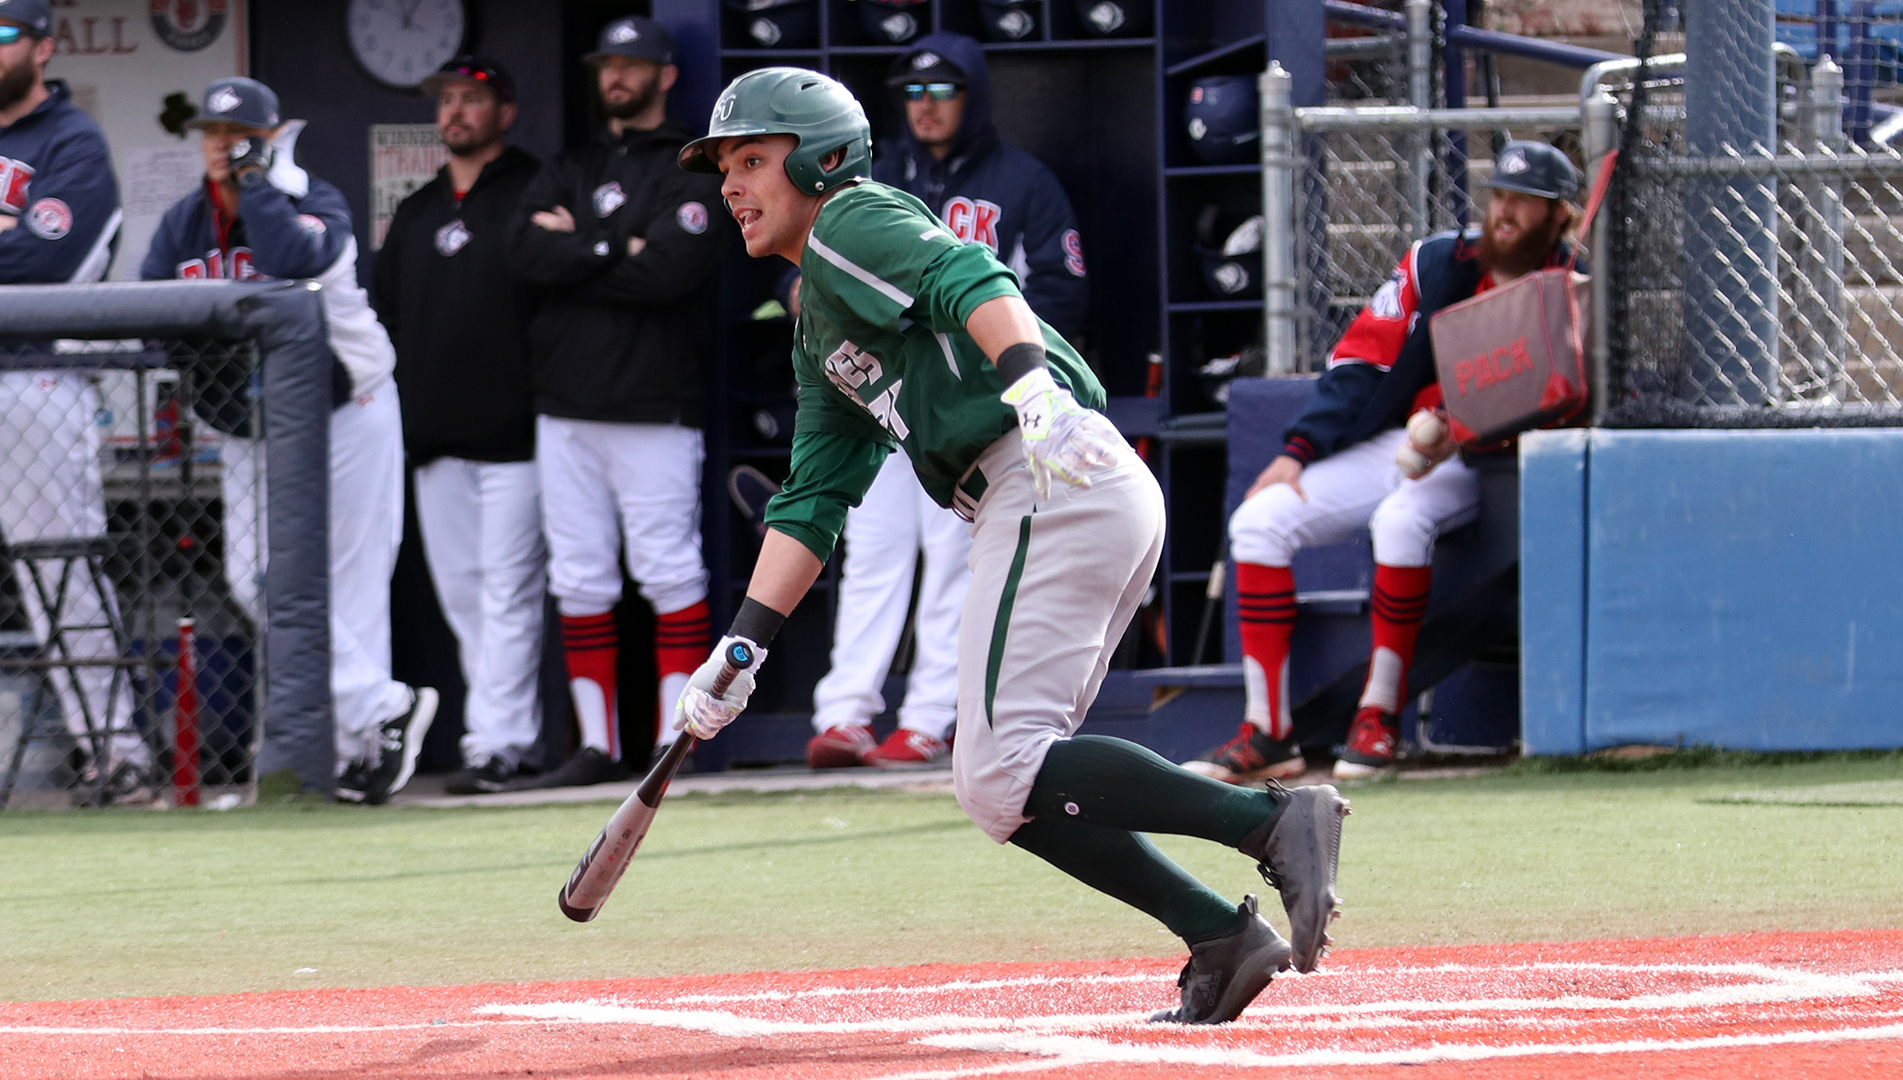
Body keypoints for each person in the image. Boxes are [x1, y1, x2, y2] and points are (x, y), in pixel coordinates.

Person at [674, 67, 1348, 1025]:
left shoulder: (847, 220)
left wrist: (1030, 388)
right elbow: (813, 499)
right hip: (1050, 491)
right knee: (1007, 787)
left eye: (753, 159)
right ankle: (1219, 933)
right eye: (723, 166)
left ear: (820, 160)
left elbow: (974, 276)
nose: (732, 184)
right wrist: (741, 647)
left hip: (1042, 470)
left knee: (1000, 771)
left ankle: (1272, 821)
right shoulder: (818, 314)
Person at [1186, 141, 1584, 784]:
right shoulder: (1439, 261)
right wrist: (1299, 450)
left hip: (1488, 464)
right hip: (1406, 444)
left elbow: (1570, 399)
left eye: (1526, 203)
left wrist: (1465, 427)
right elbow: (1362, 359)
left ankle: (1379, 714)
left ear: (1559, 215)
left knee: (1399, 522)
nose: (1505, 213)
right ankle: (1268, 732)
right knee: (1259, 521)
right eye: (1500, 196)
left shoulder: (1574, 287)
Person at [797, 33, 1090, 771]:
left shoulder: (1022, 180)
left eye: (942, 91)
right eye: (914, 93)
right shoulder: (878, 175)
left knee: (952, 556)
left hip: (968, 407)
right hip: (886, 400)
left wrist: (967, 344)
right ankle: (846, 712)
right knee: (871, 552)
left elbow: (1062, 290)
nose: (925, 107)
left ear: (975, 96)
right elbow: (806, 277)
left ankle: (928, 718)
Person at [142, 76, 438, 805]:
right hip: (249, 428)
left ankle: (352, 755)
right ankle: (383, 706)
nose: (221, 145)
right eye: (212, 134)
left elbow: (288, 256)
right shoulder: (184, 223)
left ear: (270, 138)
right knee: (256, 578)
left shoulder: (313, 200)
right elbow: (150, 316)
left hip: (348, 411)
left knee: (355, 583)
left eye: (238, 133)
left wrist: (258, 181)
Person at [505, 17, 725, 788]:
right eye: (608, 64)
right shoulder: (569, 162)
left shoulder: (691, 167)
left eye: (632, 64)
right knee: (580, 577)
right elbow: (522, 255)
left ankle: (673, 744)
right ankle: (595, 748)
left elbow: (670, 273)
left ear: (664, 74)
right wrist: (615, 244)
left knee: (669, 572)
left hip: (655, 403)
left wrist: (579, 247)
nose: (616, 76)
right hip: (564, 404)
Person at [373, 57, 545, 796]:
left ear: (504, 110)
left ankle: (501, 741)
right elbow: (386, 318)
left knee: (509, 591)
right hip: (436, 435)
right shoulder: (416, 210)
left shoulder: (536, 188)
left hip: (520, 432)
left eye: (470, 98)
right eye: (446, 99)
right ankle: (496, 735)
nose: (455, 111)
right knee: (467, 597)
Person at [0, 0, 138, 801]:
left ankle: (116, 751)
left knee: (62, 575)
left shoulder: (71, 141)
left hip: (33, 378)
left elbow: (55, 258)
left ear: (43, 48)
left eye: (7, 36)